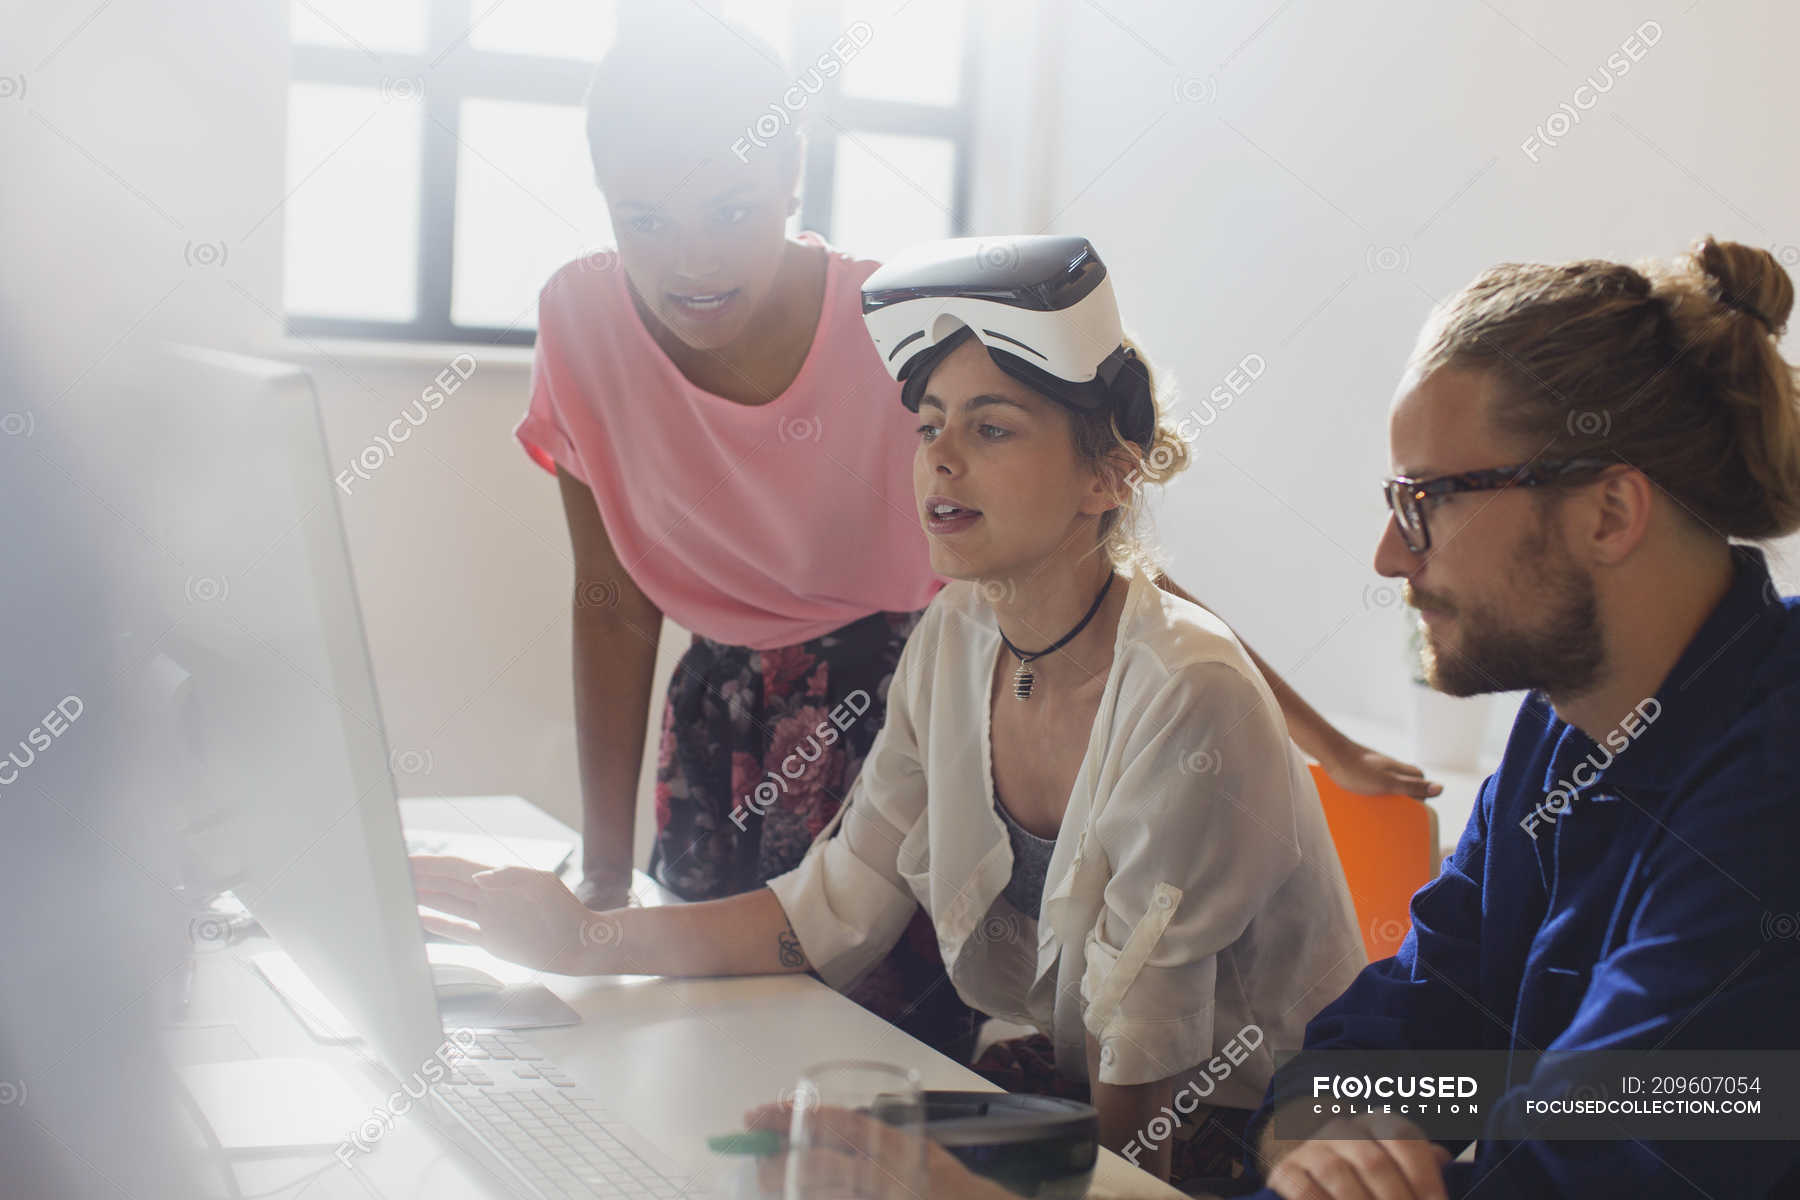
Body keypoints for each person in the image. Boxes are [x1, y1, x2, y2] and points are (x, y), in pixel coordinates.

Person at [515, 16, 1435, 1068]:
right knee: (719, 1063)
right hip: (732, 736)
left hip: (919, 723)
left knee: (872, 1062)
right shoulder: (582, 321)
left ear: (790, 177)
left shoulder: (908, 336)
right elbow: (616, 604)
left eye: (728, 209)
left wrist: (1324, 738)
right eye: (645, 220)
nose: (692, 258)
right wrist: (592, 899)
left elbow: (1096, 555)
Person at [421, 234, 1369, 1190]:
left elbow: (1146, 1113)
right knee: (740, 1140)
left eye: (991, 430)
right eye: (928, 426)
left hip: (1263, 1146)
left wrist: (970, 1180)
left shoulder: (1185, 692)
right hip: (1090, 1107)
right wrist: (581, 941)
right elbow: (827, 908)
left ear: (1107, 476)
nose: (940, 461)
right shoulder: (956, 635)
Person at [1240, 237, 1800, 1198]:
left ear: (1608, 513)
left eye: (1426, 502)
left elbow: (1584, 1170)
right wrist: (1332, 1133)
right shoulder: (1568, 717)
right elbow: (1426, 1008)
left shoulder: (1775, 786)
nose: (1388, 555)